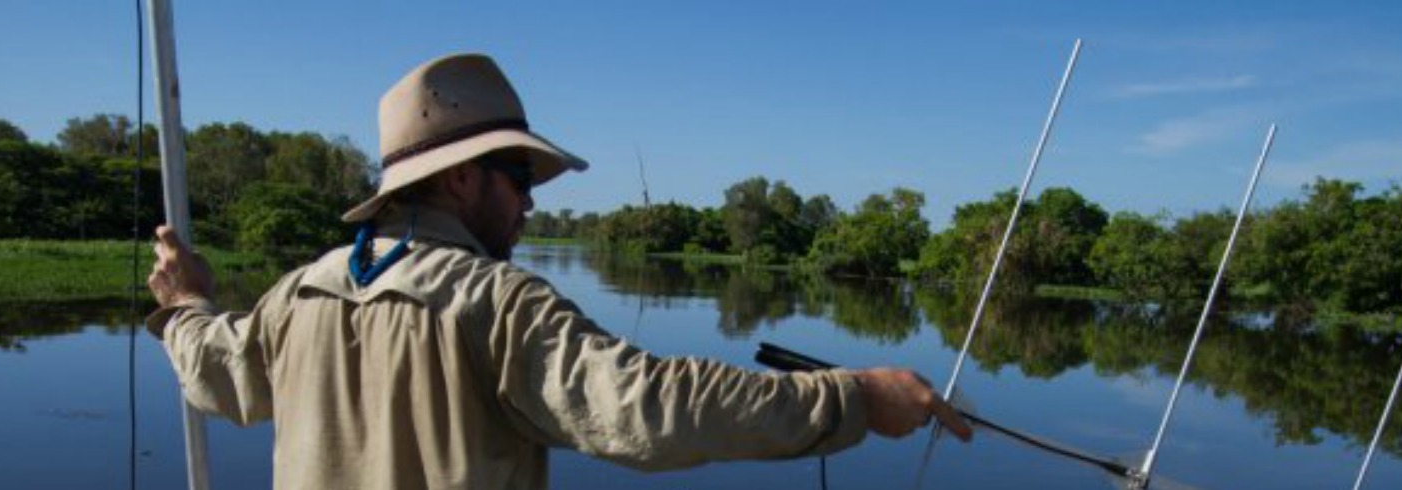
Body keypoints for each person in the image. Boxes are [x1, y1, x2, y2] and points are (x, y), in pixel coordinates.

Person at [146, 53, 971, 490]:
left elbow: (217, 376)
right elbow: (653, 409)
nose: (531, 207)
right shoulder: (495, 304)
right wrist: (852, 399)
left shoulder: (302, 291)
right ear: (463, 178)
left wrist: (187, 303)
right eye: (521, 180)